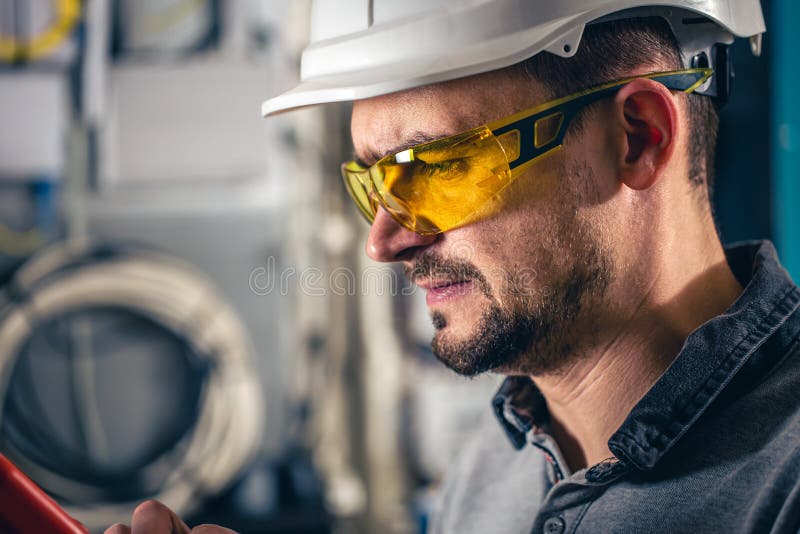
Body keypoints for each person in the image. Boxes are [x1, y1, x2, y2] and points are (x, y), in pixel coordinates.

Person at [108, 1, 800, 533]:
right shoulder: (491, 468)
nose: (384, 241)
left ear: (637, 137)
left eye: (437, 168)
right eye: (373, 182)